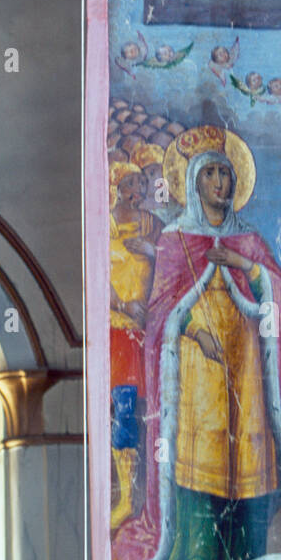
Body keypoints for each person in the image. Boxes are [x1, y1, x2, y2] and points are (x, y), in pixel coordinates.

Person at [113, 126, 281, 560]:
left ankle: (244, 558)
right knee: (200, 461)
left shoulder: (250, 241)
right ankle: (197, 556)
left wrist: (245, 267)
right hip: (195, 374)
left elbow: (279, 293)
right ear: (194, 182)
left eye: (226, 173)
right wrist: (194, 329)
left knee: (243, 462)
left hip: (246, 370)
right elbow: (158, 313)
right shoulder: (177, 240)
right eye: (210, 173)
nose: (220, 182)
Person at [108, 162, 162, 530]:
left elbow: (175, 264)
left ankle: (150, 501)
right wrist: (122, 304)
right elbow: (96, 270)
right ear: (115, 184)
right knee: (123, 409)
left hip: (148, 333)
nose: (137, 188)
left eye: (141, 182)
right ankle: (127, 497)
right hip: (117, 330)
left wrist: (153, 251)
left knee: (152, 412)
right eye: (130, 182)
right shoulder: (104, 223)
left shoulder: (150, 225)